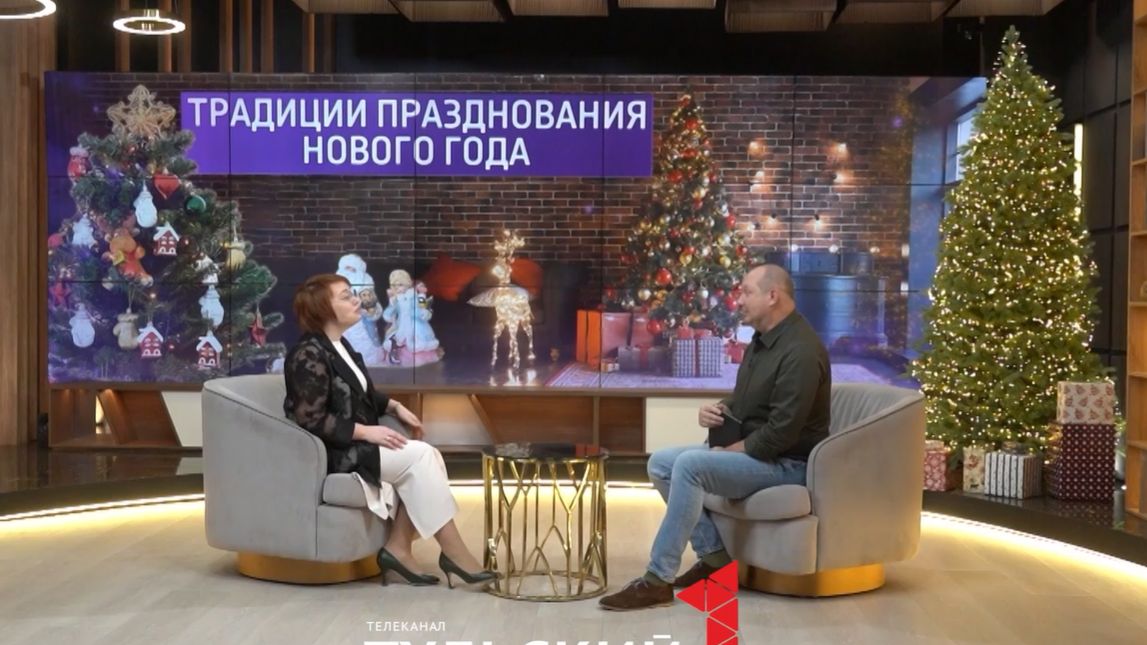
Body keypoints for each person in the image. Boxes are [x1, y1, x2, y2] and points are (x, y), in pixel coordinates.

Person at [599, 264, 831, 611]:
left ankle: (657, 580)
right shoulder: (761, 342)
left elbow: (781, 432)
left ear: (772, 296)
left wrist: (729, 451)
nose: (739, 300)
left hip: (786, 463)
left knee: (691, 465)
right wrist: (720, 409)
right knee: (661, 463)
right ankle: (715, 559)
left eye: (746, 292)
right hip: (760, 453)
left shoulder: (801, 351)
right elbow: (746, 400)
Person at [283, 273, 495, 589]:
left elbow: (360, 393)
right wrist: (366, 432)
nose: (356, 300)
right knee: (422, 457)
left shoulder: (340, 346)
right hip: (336, 452)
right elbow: (310, 418)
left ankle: (399, 550)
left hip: (354, 445)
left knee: (425, 458)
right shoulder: (307, 354)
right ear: (323, 308)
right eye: (345, 296)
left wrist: (394, 406)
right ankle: (453, 554)